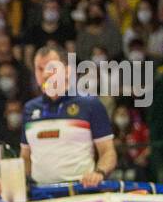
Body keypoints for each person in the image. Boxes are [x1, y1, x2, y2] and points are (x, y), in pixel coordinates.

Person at [15, 43, 118, 188]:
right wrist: (10, 181)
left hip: (80, 192)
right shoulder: (29, 109)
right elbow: (25, 158)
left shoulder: (90, 104)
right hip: (40, 194)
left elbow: (108, 151)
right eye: (40, 69)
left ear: (68, 71)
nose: (45, 74)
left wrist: (99, 173)